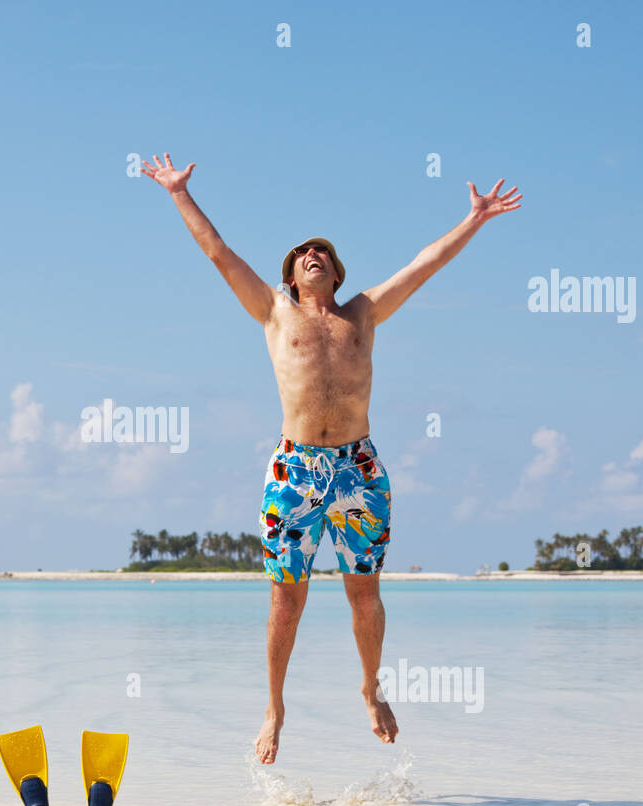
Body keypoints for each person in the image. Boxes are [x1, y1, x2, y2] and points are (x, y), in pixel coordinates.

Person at [141, 153, 521, 763]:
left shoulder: (362, 312)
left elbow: (426, 264)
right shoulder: (272, 310)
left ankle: (370, 689)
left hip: (358, 469)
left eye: (322, 253)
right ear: (291, 274)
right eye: (302, 254)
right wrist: (178, 192)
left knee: (363, 593)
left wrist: (473, 219)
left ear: (337, 273)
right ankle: (275, 707)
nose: (312, 256)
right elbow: (218, 253)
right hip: (295, 469)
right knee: (284, 599)